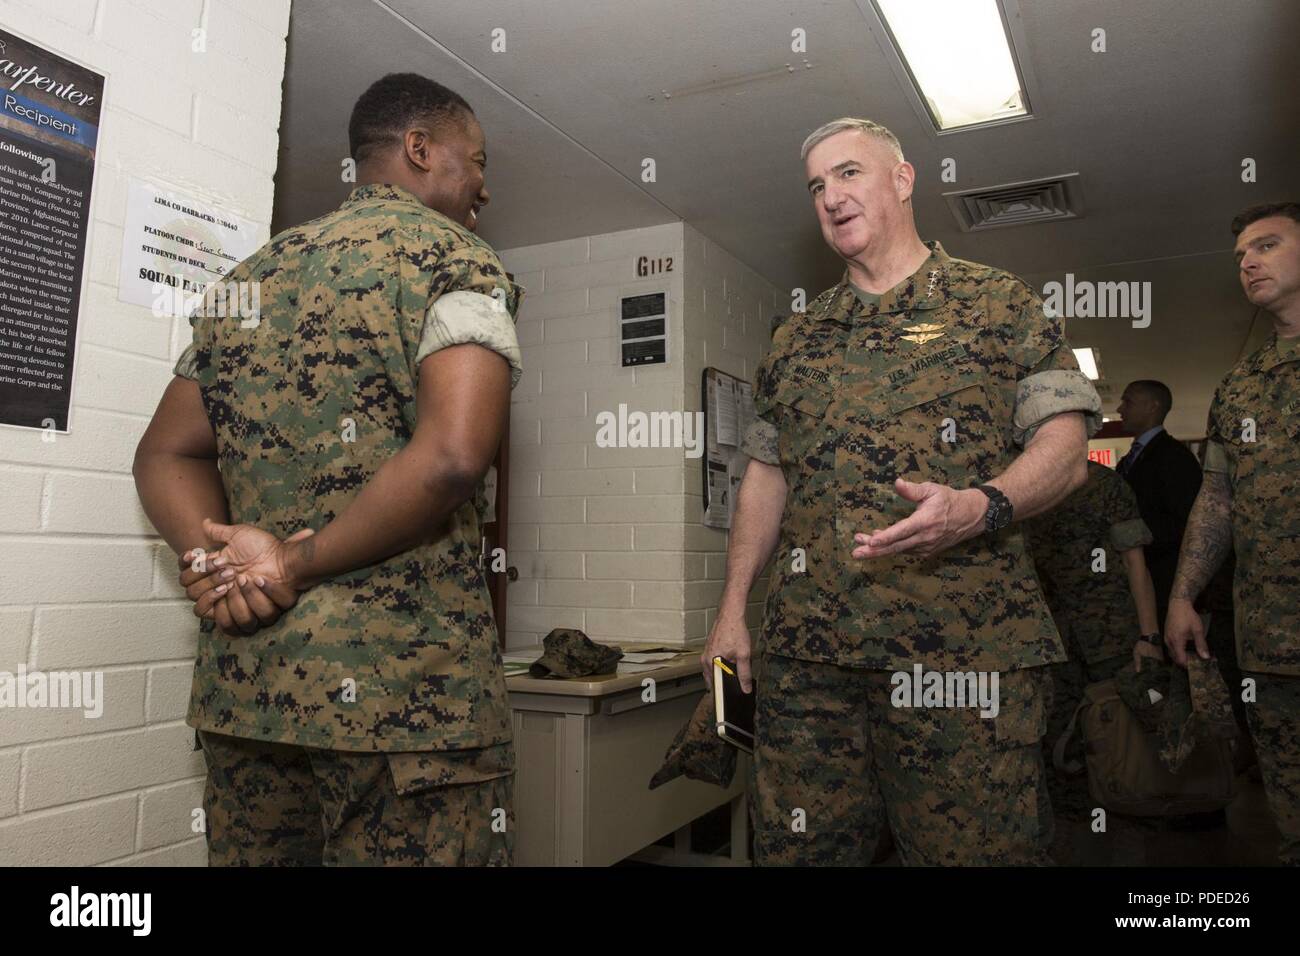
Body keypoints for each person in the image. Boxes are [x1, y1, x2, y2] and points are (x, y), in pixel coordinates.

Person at [132, 73, 523, 866]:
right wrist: (295, 561)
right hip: (407, 708)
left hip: (250, 702)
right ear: (419, 149)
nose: (484, 185)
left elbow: (162, 452)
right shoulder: (458, 260)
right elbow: (451, 457)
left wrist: (213, 564)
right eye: (475, 160)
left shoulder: (245, 282)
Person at [701, 117, 1101, 866]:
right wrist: (730, 613)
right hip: (811, 671)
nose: (830, 196)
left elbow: (1067, 447)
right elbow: (767, 473)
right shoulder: (798, 339)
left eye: (848, 173)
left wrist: (982, 505)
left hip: (961, 662)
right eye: (817, 185)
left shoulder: (997, 304)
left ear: (904, 179)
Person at [1166, 201, 1300, 866]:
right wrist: (1183, 595)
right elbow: (1216, 498)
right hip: (1272, 640)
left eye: (1268, 246)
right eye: (1243, 253)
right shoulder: (1242, 388)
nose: (1248, 262)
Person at [1024, 459, 1161, 862]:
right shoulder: (1023, 484)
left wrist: (1149, 635)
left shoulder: (1105, 484)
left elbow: (1136, 562)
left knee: (1121, 742)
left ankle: (1126, 837)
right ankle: (1074, 842)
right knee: (1058, 746)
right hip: (1050, 643)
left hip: (1110, 637)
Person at [1115, 379, 1202, 621]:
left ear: (1152, 407)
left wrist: (1132, 540)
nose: (1121, 409)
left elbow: (1186, 523)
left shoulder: (1175, 458)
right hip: (1138, 583)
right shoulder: (1128, 461)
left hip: (1165, 584)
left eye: (1127, 401)